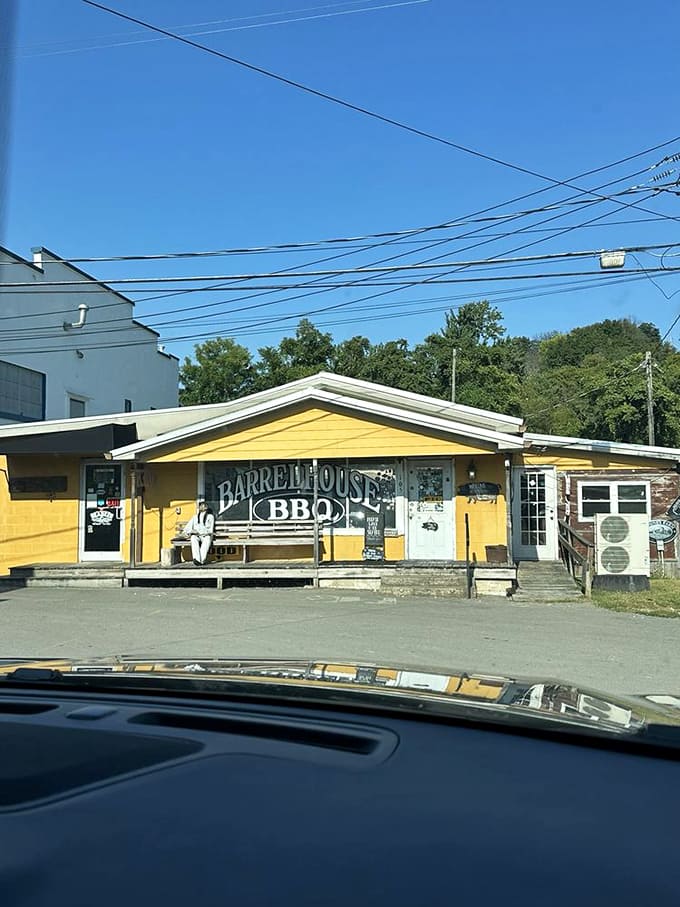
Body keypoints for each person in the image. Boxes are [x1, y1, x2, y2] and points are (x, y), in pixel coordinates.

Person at [183, 501, 215, 566]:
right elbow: (187, 528)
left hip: (206, 535)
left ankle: (202, 560)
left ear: (206, 507)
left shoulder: (210, 517)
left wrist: (203, 532)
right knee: (193, 538)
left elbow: (210, 530)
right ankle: (197, 559)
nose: (202, 507)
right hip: (197, 535)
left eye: (204, 505)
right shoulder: (195, 517)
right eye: (201, 505)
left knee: (207, 540)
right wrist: (192, 531)